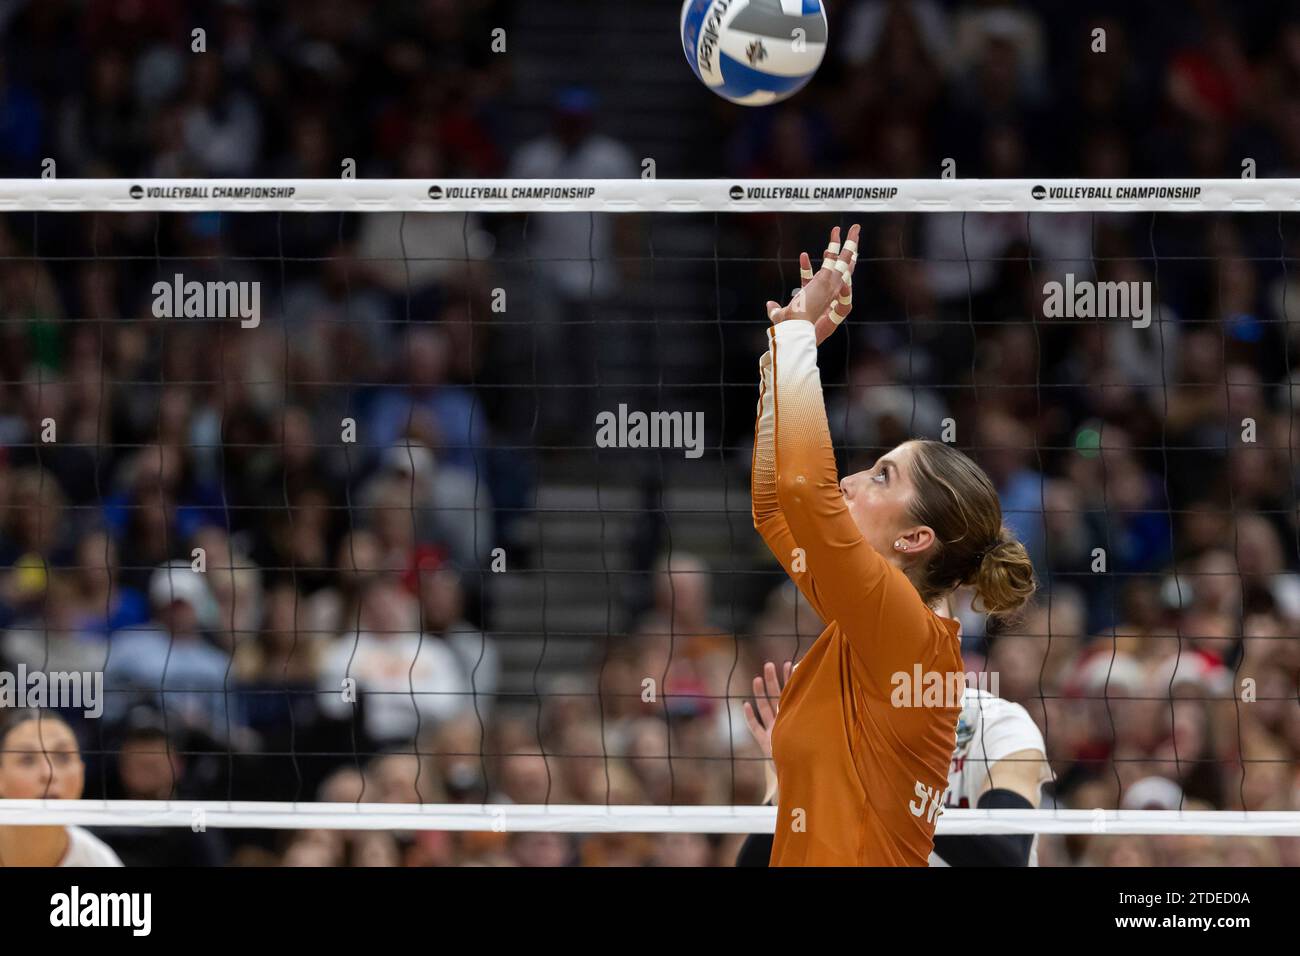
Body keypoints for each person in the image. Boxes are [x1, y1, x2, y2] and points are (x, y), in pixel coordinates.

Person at [750, 224, 1035, 865]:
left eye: (882, 475)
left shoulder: (908, 636)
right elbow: (775, 504)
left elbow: (805, 489)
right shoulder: (864, 621)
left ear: (915, 537)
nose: (853, 479)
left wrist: (798, 339)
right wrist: (781, 361)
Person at [0, 709, 123, 866]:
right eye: (28, 759)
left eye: (63, 757)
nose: (48, 773)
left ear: (81, 772)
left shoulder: (99, 860)